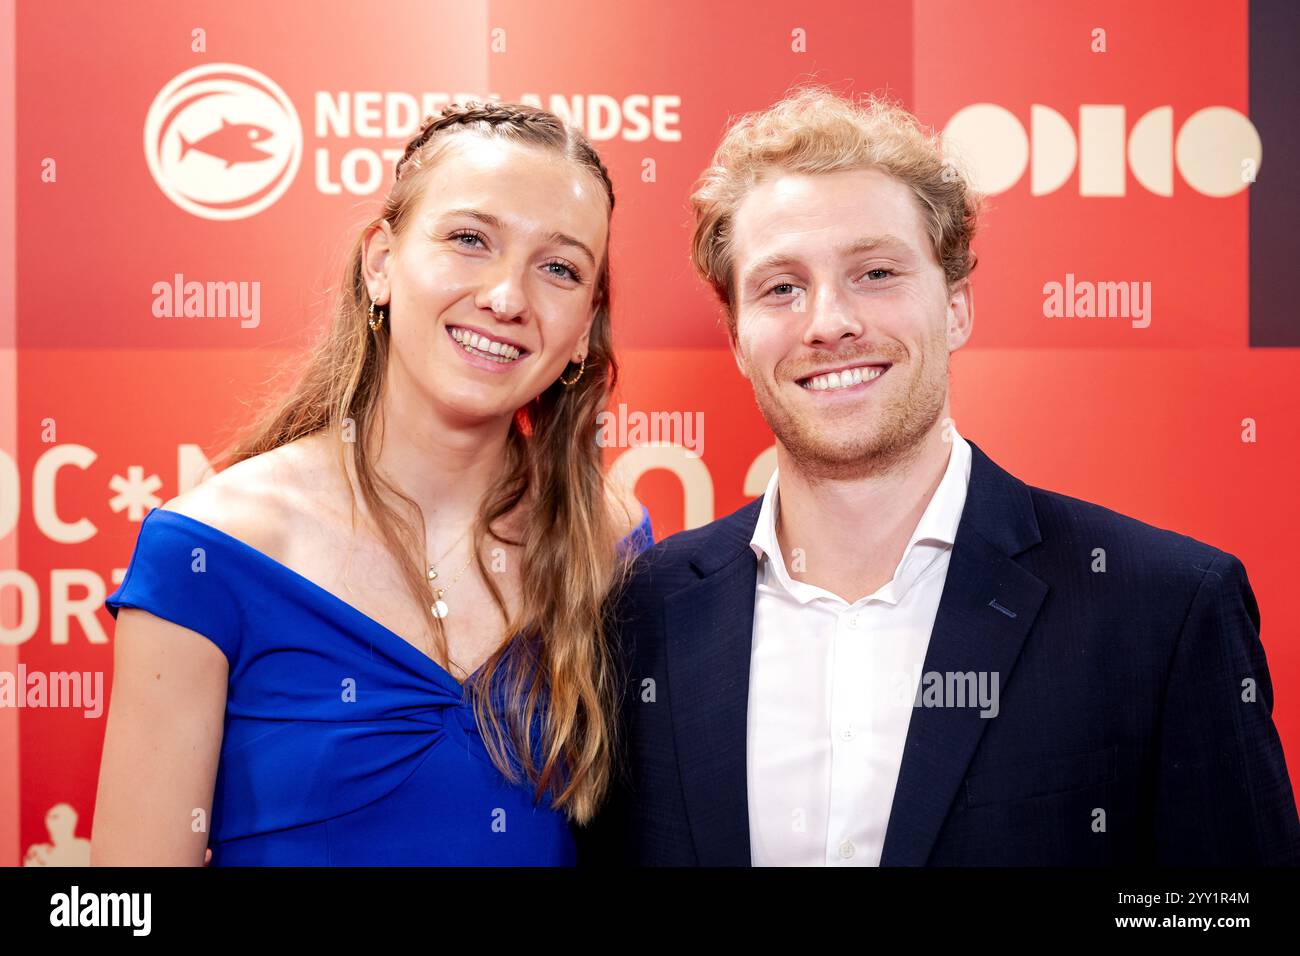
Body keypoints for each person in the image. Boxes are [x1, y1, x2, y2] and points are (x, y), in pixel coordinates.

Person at [578, 86, 1300, 866]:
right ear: (738, 338)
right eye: (781, 287)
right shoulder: (639, 616)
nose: (829, 322)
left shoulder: (1164, 608)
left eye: (877, 272)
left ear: (955, 306)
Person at [93, 101, 654, 866]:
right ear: (381, 263)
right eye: (469, 239)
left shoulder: (612, 542)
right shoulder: (213, 549)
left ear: (586, 325)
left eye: (559, 268)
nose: (507, 297)